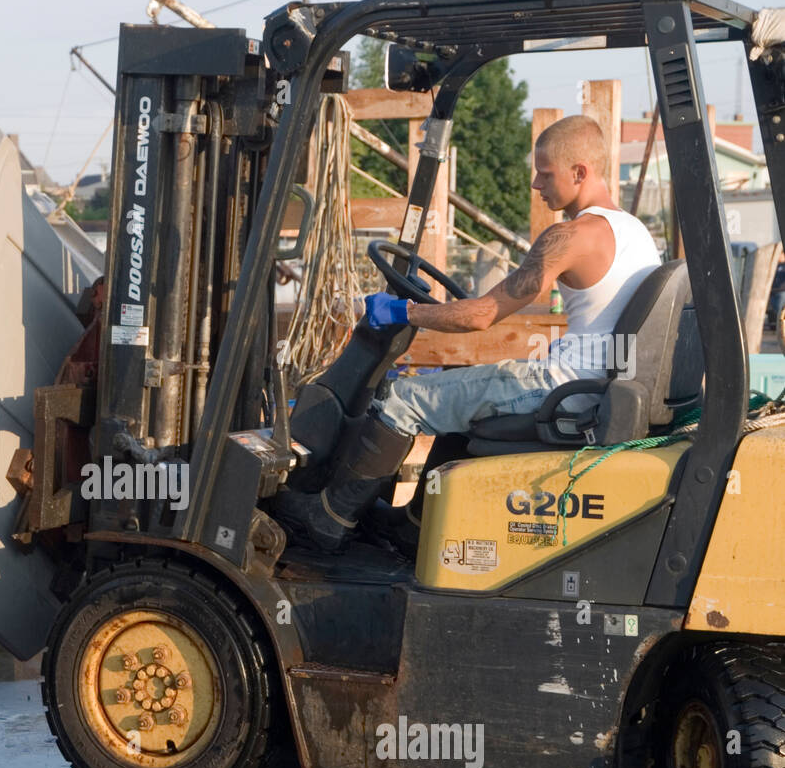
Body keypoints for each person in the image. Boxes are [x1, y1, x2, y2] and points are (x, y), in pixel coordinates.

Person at [273, 114, 662, 554]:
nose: (537, 184)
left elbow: (481, 316)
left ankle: (327, 519)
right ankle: (416, 525)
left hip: (562, 388)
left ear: (580, 172)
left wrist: (405, 310)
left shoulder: (571, 236)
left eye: (545, 173)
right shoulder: (635, 231)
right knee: (454, 399)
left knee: (403, 400)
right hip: (592, 387)